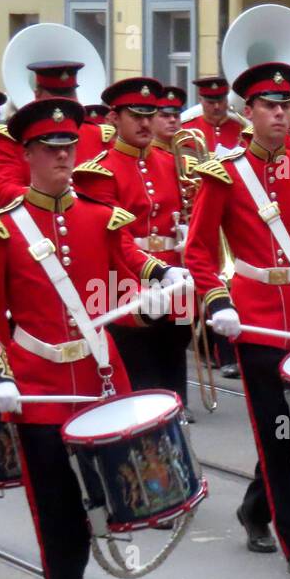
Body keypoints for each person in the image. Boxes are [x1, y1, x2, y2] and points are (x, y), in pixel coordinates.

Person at [0, 98, 185, 579]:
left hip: (97, 379)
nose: (64, 157)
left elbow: (129, 255)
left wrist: (163, 275)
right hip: (36, 390)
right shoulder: (2, 225)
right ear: (29, 155)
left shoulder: (99, 215)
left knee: (97, 508)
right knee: (57, 512)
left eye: (69, 148)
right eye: (51, 150)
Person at [183, 61, 290, 579]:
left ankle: (256, 507)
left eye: (287, 106)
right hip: (253, 320)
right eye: (269, 107)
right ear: (248, 112)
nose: (280, 114)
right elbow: (198, 253)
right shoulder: (224, 172)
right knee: (276, 432)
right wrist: (218, 302)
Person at [73, 77, 190, 411]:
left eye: (149, 114)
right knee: (140, 375)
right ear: (113, 118)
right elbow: (115, 240)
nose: (144, 123)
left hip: (176, 279)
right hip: (126, 281)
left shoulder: (171, 162)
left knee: (174, 365)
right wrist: (158, 270)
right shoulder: (98, 172)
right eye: (135, 115)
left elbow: (178, 218)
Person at [0, 61, 111, 204]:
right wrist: (56, 199)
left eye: (69, 93)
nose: (63, 102)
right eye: (55, 94)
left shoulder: (100, 136)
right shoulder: (10, 138)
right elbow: (3, 192)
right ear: (37, 94)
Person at [183, 76, 245, 153]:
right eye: (211, 102)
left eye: (220, 101)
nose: (217, 107)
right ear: (200, 101)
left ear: (227, 100)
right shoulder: (187, 130)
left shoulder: (241, 128)